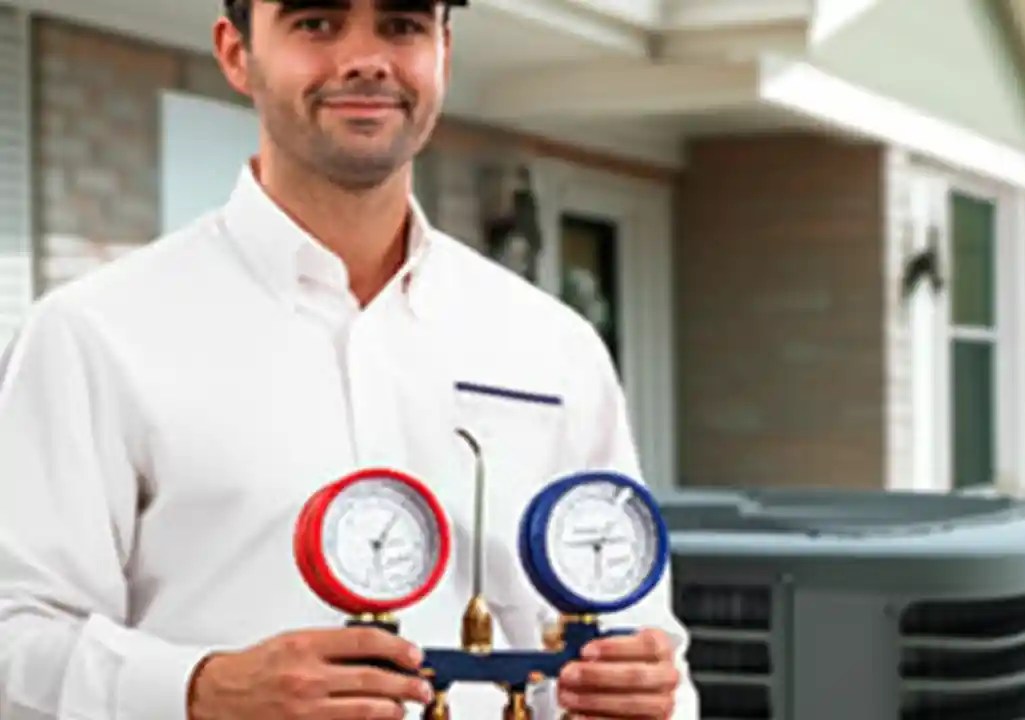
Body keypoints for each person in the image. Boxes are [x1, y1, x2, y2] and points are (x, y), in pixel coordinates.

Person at [0, 0, 699, 718]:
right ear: (237, 52)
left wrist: (645, 696)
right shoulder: (95, 334)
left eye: (402, 25)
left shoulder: (551, 347)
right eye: (317, 22)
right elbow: (15, 637)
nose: (366, 58)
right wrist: (203, 688)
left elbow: (648, 651)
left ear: (444, 54)